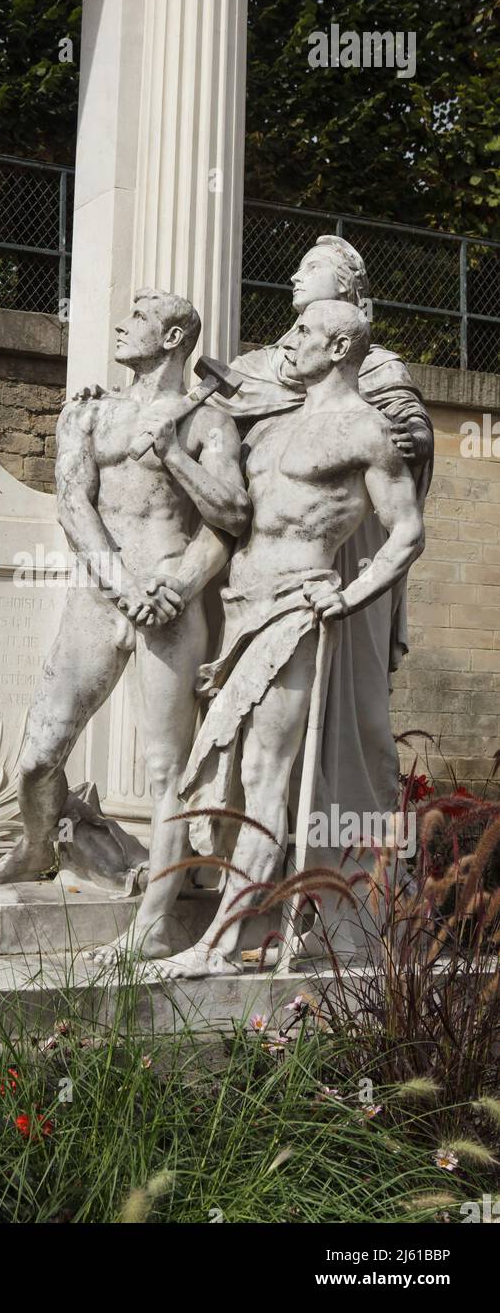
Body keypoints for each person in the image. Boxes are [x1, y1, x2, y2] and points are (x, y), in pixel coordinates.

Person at [0, 289, 251, 963]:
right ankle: (40, 846)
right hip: (103, 596)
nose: (121, 324)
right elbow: (73, 505)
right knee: (38, 754)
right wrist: (123, 585)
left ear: (175, 336)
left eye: (140, 319)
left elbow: (230, 519)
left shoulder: (209, 423)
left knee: (164, 771)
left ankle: (151, 925)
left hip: (170, 604)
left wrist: (177, 585)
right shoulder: (87, 412)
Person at [151, 300, 425, 979]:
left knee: (260, 777)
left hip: (295, 611)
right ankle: (263, 920)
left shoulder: (364, 430)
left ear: (337, 347)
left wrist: (350, 593)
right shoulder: (273, 429)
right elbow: (234, 512)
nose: (289, 339)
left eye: (303, 331)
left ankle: (219, 941)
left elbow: (407, 534)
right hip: (241, 608)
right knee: (225, 777)